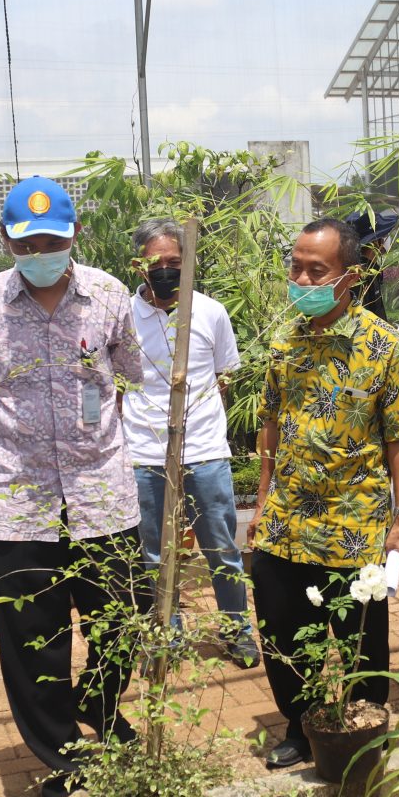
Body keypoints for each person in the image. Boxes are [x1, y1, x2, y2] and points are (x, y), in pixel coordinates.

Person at [0, 175, 149, 797]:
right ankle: (61, 756)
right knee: (33, 641)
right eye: (26, 244)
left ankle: (101, 714)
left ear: (74, 233)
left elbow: (128, 372)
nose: (39, 254)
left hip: (102, 493)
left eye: (51, 241)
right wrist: (18, 431)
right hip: (18, 504)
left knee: (120, 623)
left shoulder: (109, 296)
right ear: (5, 239)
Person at [248, 218, 399, 768]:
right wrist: (260, 503)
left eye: (316, 270)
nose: (302, 278)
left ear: (350, 275)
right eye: (296, 267)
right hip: (286, 522)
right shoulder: (284, 341)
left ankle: (363, 732)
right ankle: (300, 728)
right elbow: (271, 424)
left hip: (357, 525)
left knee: (361, 643)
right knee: (280, 630)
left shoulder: (383, 345)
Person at [122, 218, 257, 665]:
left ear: (189, 262)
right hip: (144, 452)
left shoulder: (210, 312)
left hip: (203, 451)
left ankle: (237, 630)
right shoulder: (123, 317)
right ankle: (168, 633)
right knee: (155, 552)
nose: (165, 270)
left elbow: (223, 375)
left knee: (222, 546)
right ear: (139, 266)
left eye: (175, 262)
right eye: (155, 263)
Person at [351, 209, 399, 320]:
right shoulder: (359, 276)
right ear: (376, 242)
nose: (387, 239)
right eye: (385, 235)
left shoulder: (372, 270)